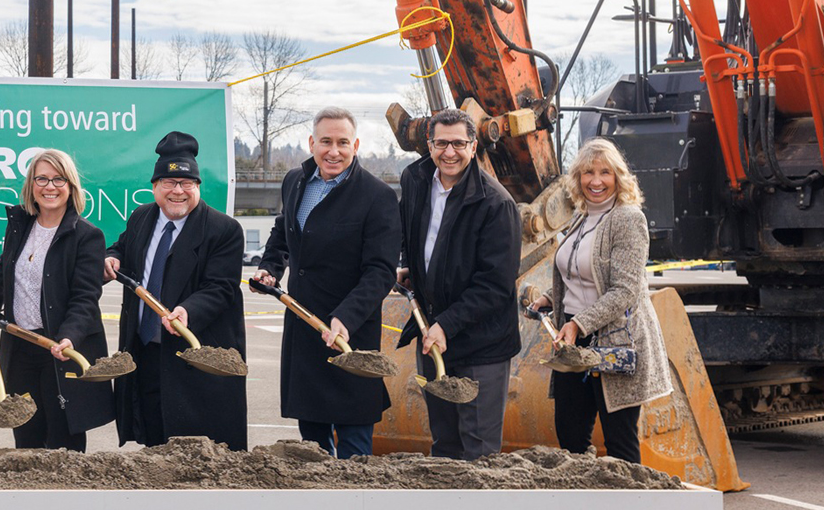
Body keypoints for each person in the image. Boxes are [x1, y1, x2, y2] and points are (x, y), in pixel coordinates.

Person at [253, 107, 399, 458]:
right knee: (312, 449)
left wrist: (345, 317)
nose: (334, 151)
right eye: (326, 142)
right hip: (304, 329)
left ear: (356, 145)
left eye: (343, 142)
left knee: (354, 449)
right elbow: (282, 233)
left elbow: (381, 271)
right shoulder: (295, 181)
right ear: (312, 143)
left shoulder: (377, 196)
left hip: (351, 334)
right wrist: (270, 267)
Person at [103, 131, 247, 450]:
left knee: (195, 450)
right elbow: (124, 247)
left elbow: (220, 287)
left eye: (186, 183)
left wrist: (188, 310)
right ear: (155, 187)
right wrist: (112, 256)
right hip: (146, 354)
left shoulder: (224, 230)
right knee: (152, 442)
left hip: (192, 364)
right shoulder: (142, 216)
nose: (177, 191)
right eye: (169, 183)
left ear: (197, 187)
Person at [533, 138, 672, 464]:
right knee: (570, 438)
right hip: (573, 341)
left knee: (620, 443)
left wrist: (578, 323)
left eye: (605, 173)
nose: (596, 181)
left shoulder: (627, 219)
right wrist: (549, 298)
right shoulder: (581, 217)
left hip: (614, 340)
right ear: (578, 179)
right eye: (588, 173)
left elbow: (625, 289)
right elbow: (580, 273)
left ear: (618, 177)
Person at [395, 108, 521, 460]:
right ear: (429, 144)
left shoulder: (497, 205)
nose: (449, 152)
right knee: (445, 446)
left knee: (478, 451)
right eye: (440, 143)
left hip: (482, 344)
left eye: (458, 144)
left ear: (473, 145)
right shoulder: (415, 180)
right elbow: (411, 233)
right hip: (435, 337)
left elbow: (496, 285)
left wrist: (445, 325)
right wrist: (410, 268)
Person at [0, 148, 113, 449]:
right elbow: (5, 272)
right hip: (20, 348)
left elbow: (86, 296)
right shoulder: (20, 225)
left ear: (71, 186)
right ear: (31, 185)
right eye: (41, 178)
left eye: (58, 179)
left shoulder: (87, 236)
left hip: (60, 350)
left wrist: (70, 336)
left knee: (63, 441)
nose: (49, 187)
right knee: (27, 439)